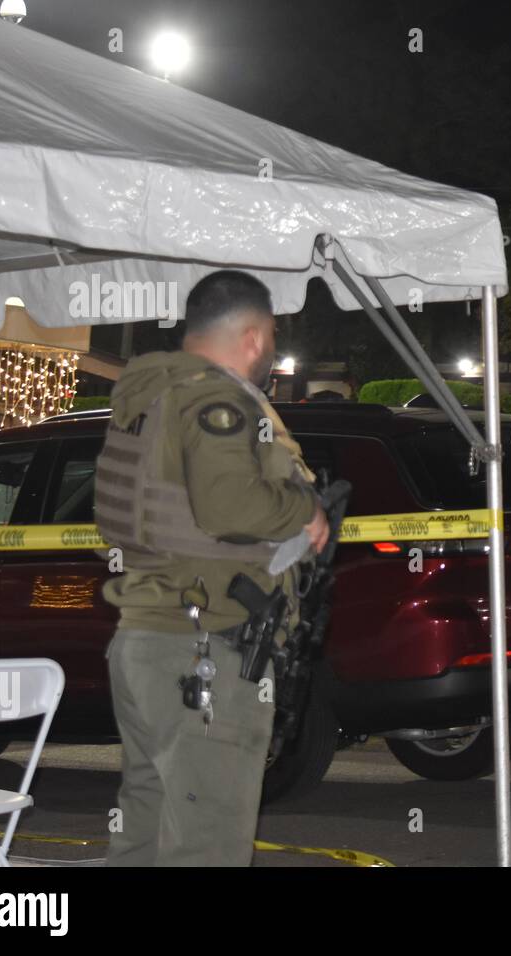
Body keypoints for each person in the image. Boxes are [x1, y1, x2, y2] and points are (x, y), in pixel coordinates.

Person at [95, 270, 330, 866]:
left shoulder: (149, 395)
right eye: (272, 336)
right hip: (202, 648)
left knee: (146, 837)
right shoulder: (215, 398)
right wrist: (304, 508)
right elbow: (230, 505)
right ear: (253, 336)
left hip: (147, 639)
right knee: (206, 843)